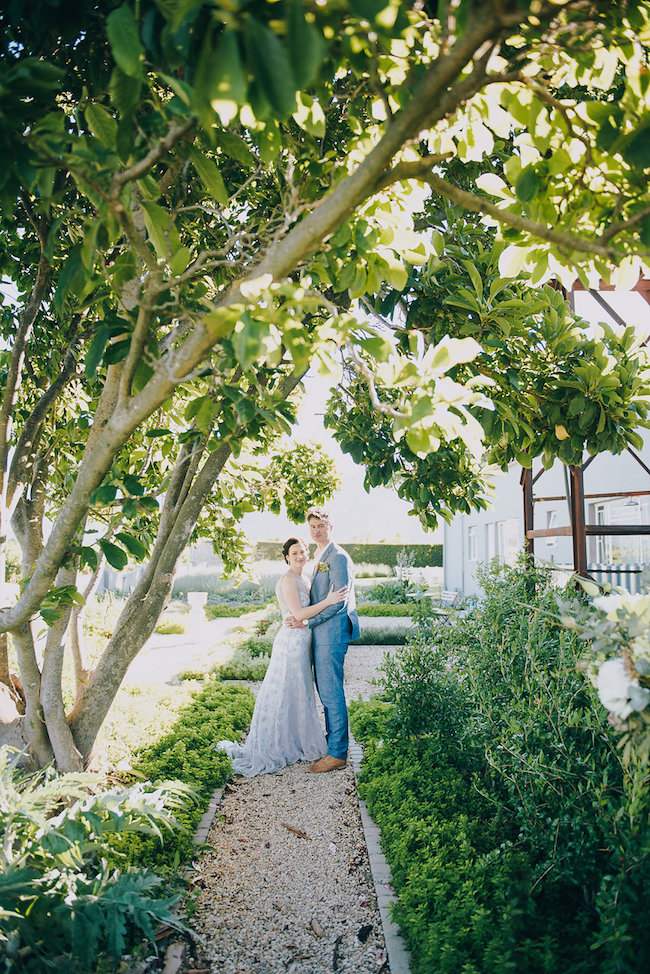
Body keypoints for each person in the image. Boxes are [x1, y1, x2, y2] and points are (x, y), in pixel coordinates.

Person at [216, 538, 347, 777]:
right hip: (292, 644)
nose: (299, 556)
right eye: (294, 553)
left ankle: (295, 739)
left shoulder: (304, 579)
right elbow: (297, 613)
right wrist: (328, 601)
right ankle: (277, 744)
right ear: (286, 557)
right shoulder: (288, 580)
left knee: (299, 691)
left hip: (303, 642)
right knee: (286, 690)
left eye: (303, 552)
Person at [286, 508, 359, 773]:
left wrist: (307, 621)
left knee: (331, 692)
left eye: (321, 525)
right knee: (325, 690)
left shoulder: (337, 557)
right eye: (313, 526)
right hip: (322, 633)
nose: (317, 530)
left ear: (331, 527)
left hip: (332, 633)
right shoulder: (320, 555)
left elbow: (338, 603)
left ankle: (338, 753)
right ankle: (332, 746)